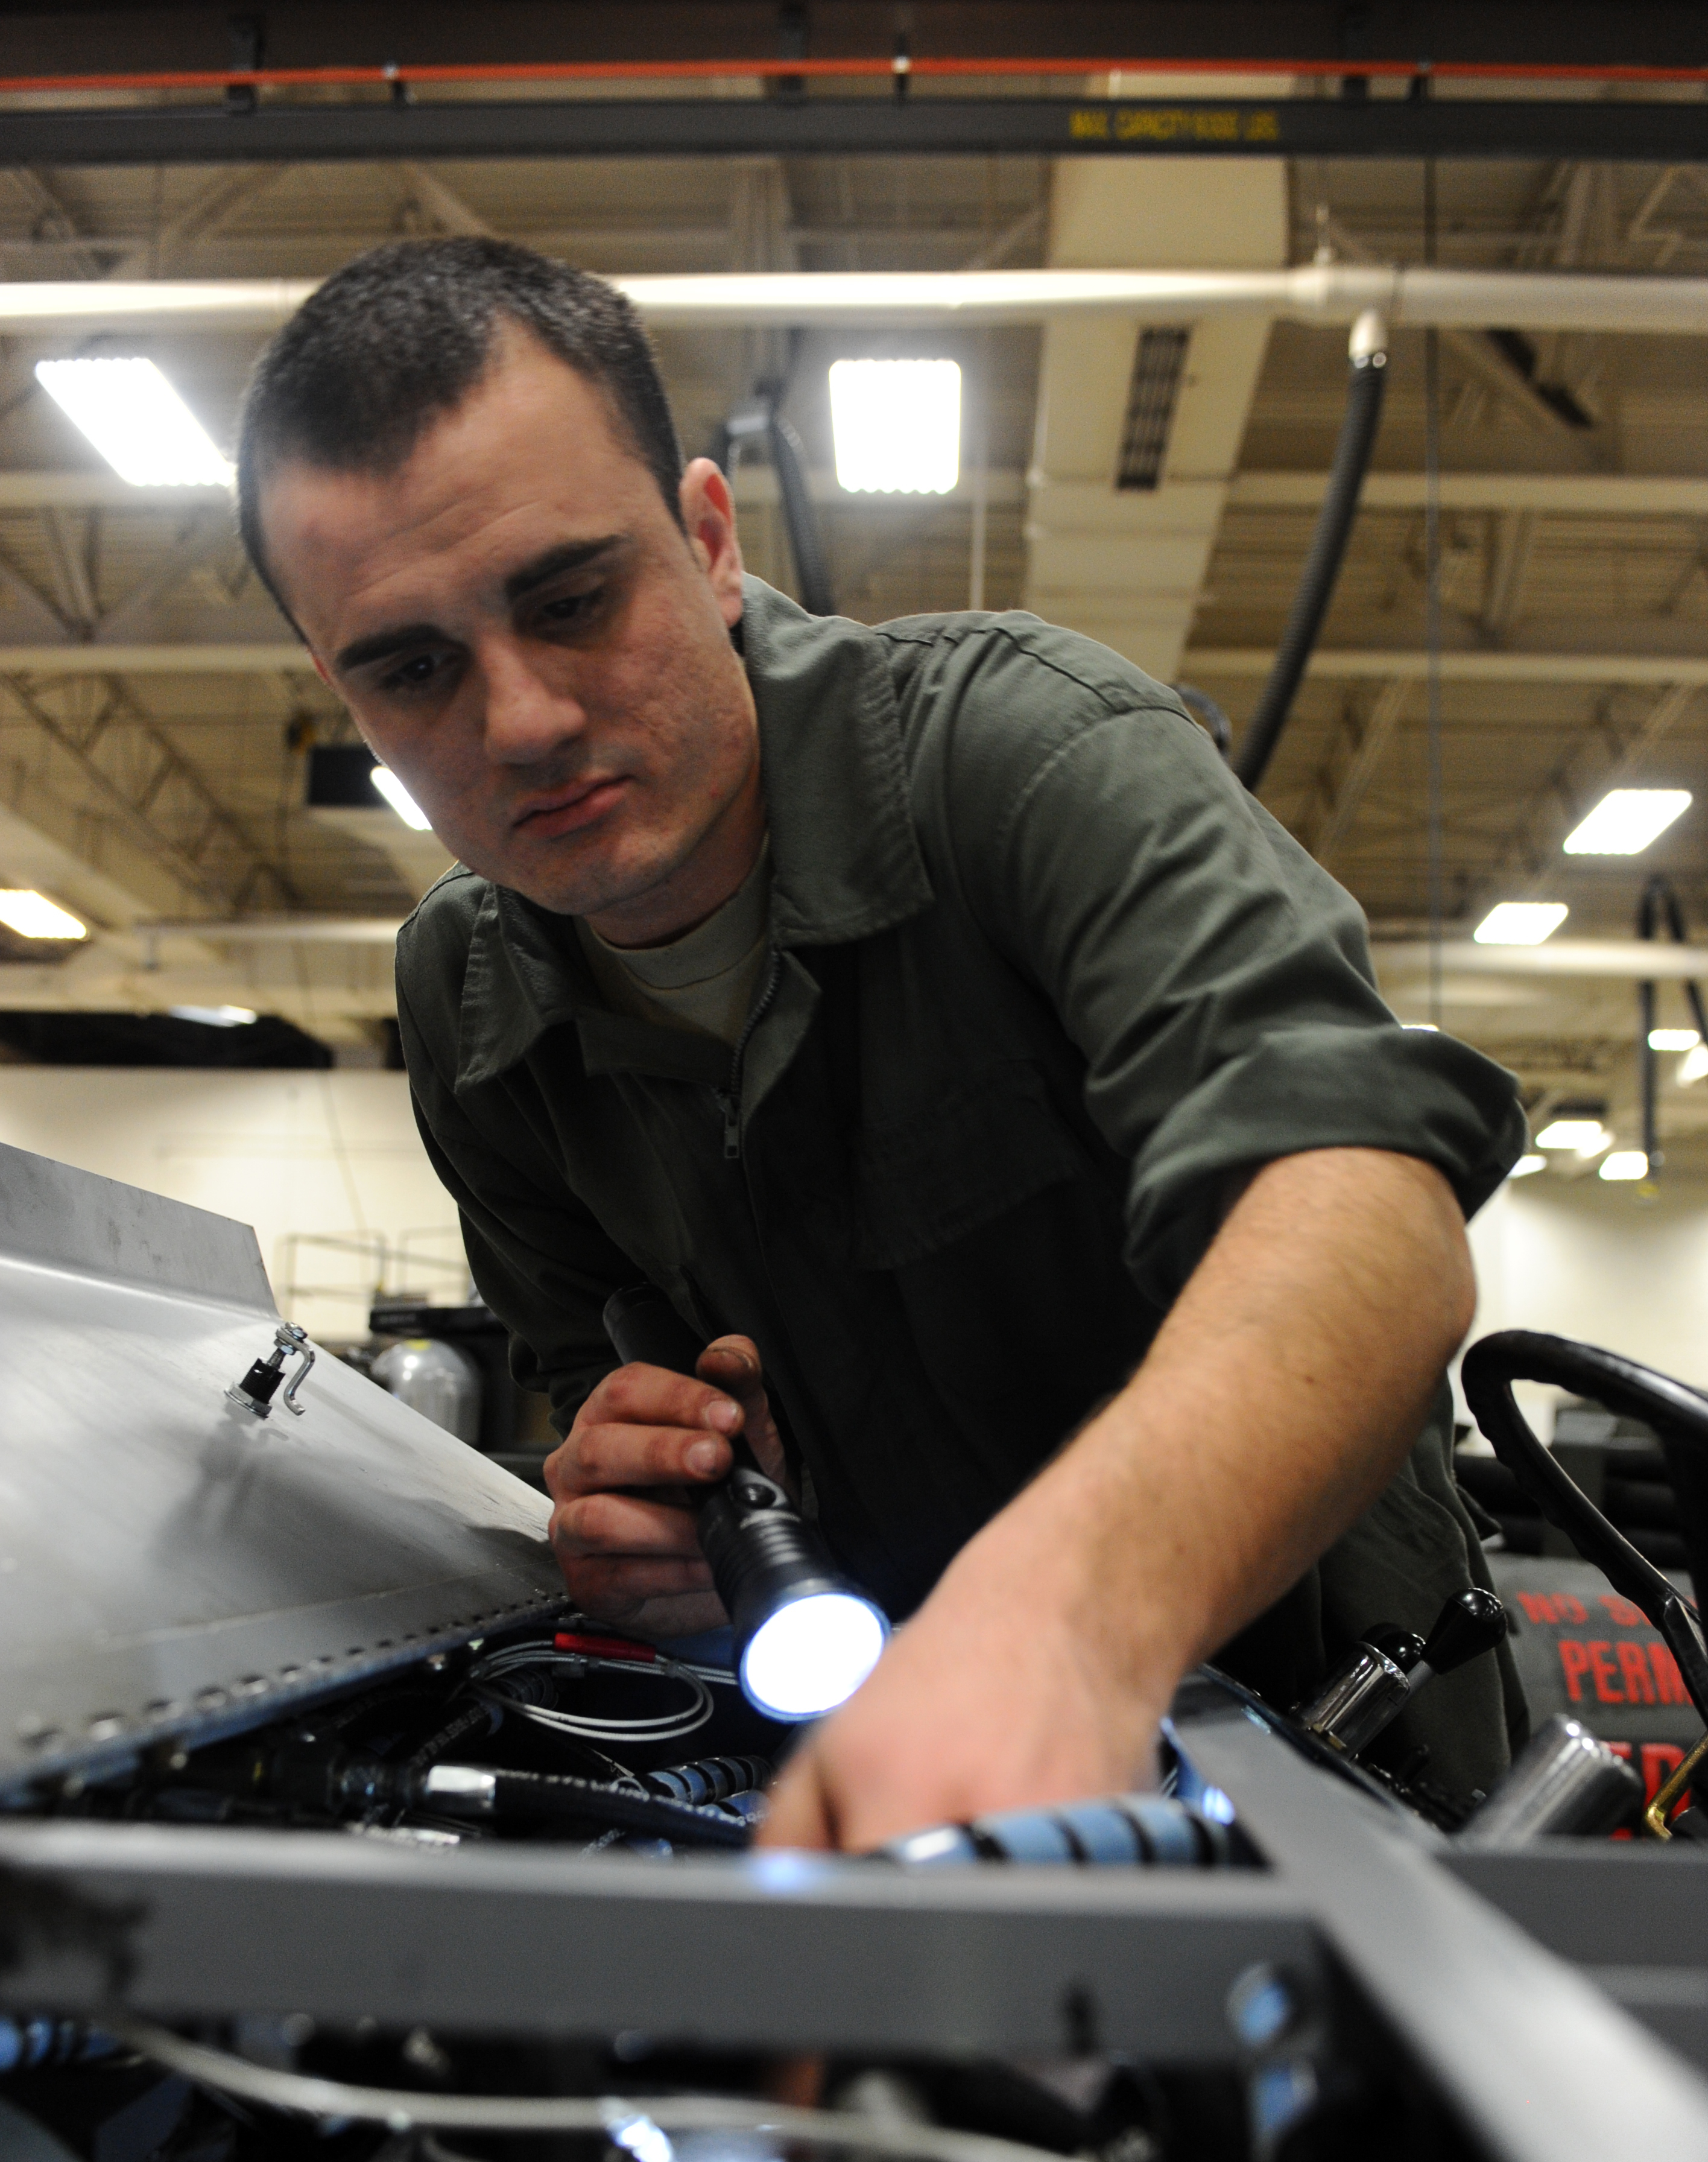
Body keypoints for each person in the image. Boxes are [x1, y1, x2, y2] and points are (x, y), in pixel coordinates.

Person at [236, 238, 1528, 1853]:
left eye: (572, 601)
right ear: (337, 686)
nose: (520, 723)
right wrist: (639, 1512)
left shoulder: (1025, 757)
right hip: (867, 1784)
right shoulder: (466, 1002)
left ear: (708, 540)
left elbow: (1367, 1215)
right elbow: (585, 1374)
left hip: (1350, 1767)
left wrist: (1060, 1620)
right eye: (411, 670)